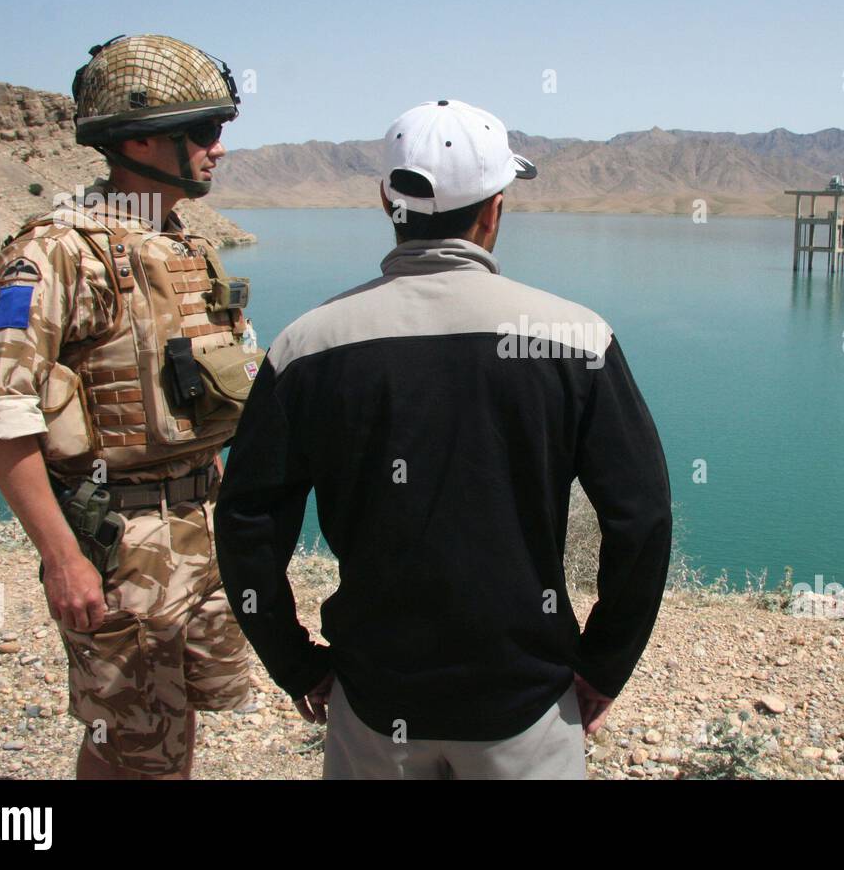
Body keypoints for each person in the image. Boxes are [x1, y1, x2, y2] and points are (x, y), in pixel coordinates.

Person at [214, 98, 672, 779]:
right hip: (527, 704)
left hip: (372, 703)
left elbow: (246, 521)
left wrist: (295, 662)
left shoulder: (305, 346)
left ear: (386, 201)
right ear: (494, 210)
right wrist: (605, 663)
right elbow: (643, 517)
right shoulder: (577, 339)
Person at [0, 34, 265, 779]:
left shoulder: (178, 245)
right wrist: (63, 558)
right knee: (126, 740)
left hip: (197, 526)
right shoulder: (57, 253)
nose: (219, 149)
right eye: (203, 131)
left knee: (168, 728)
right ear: (136, 141)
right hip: (120, 539)